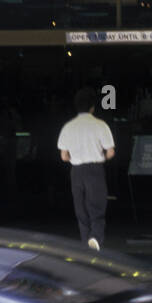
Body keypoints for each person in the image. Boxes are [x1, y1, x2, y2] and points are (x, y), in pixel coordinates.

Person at [58, 88, 115, 251]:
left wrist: (75, 158)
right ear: (93, 107)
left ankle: (85, 244)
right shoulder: (100, 125)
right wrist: (100, 158)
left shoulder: (68, 127)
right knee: (96, 207)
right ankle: (95, 238)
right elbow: (110, 152)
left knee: (81, 209)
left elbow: (64, 156)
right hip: (95, 169)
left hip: (76, 171)